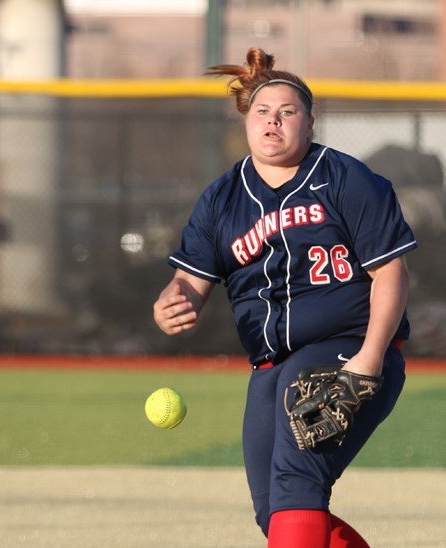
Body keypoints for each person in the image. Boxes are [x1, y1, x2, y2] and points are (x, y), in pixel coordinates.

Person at [152, 47, 417, 547]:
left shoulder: (346, 178)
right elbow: (189, 282)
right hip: (270, 367)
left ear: (310, 123)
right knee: (275, 511)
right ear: (246, 123)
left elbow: (392, 272)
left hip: (344, 348)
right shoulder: (222, 198)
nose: (273, 121)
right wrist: (171, 302)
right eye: (262, 112)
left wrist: (369, 359)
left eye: (287, 112)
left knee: (297, 482)